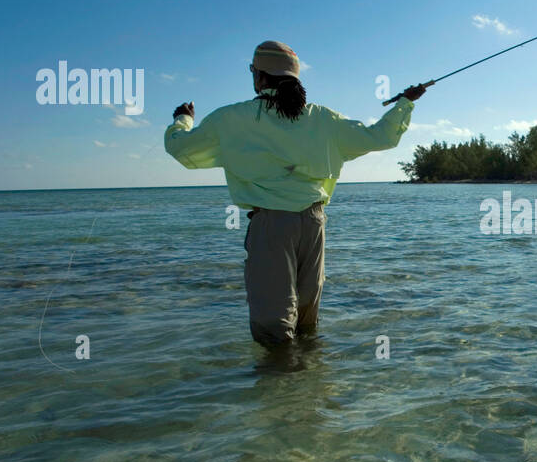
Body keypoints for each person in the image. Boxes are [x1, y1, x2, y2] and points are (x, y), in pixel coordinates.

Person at [164, 40, 426, 346]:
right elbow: (379, 136)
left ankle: (279, 387)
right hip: (314, 223)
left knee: (272, 325)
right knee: (306, 322)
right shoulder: (323, 118)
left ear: (259, 76)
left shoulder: (231, 118)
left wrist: (183, 119)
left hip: (272, 224)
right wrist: (405, 102)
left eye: (253, 71)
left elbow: (180, 149)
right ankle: (307, 386)